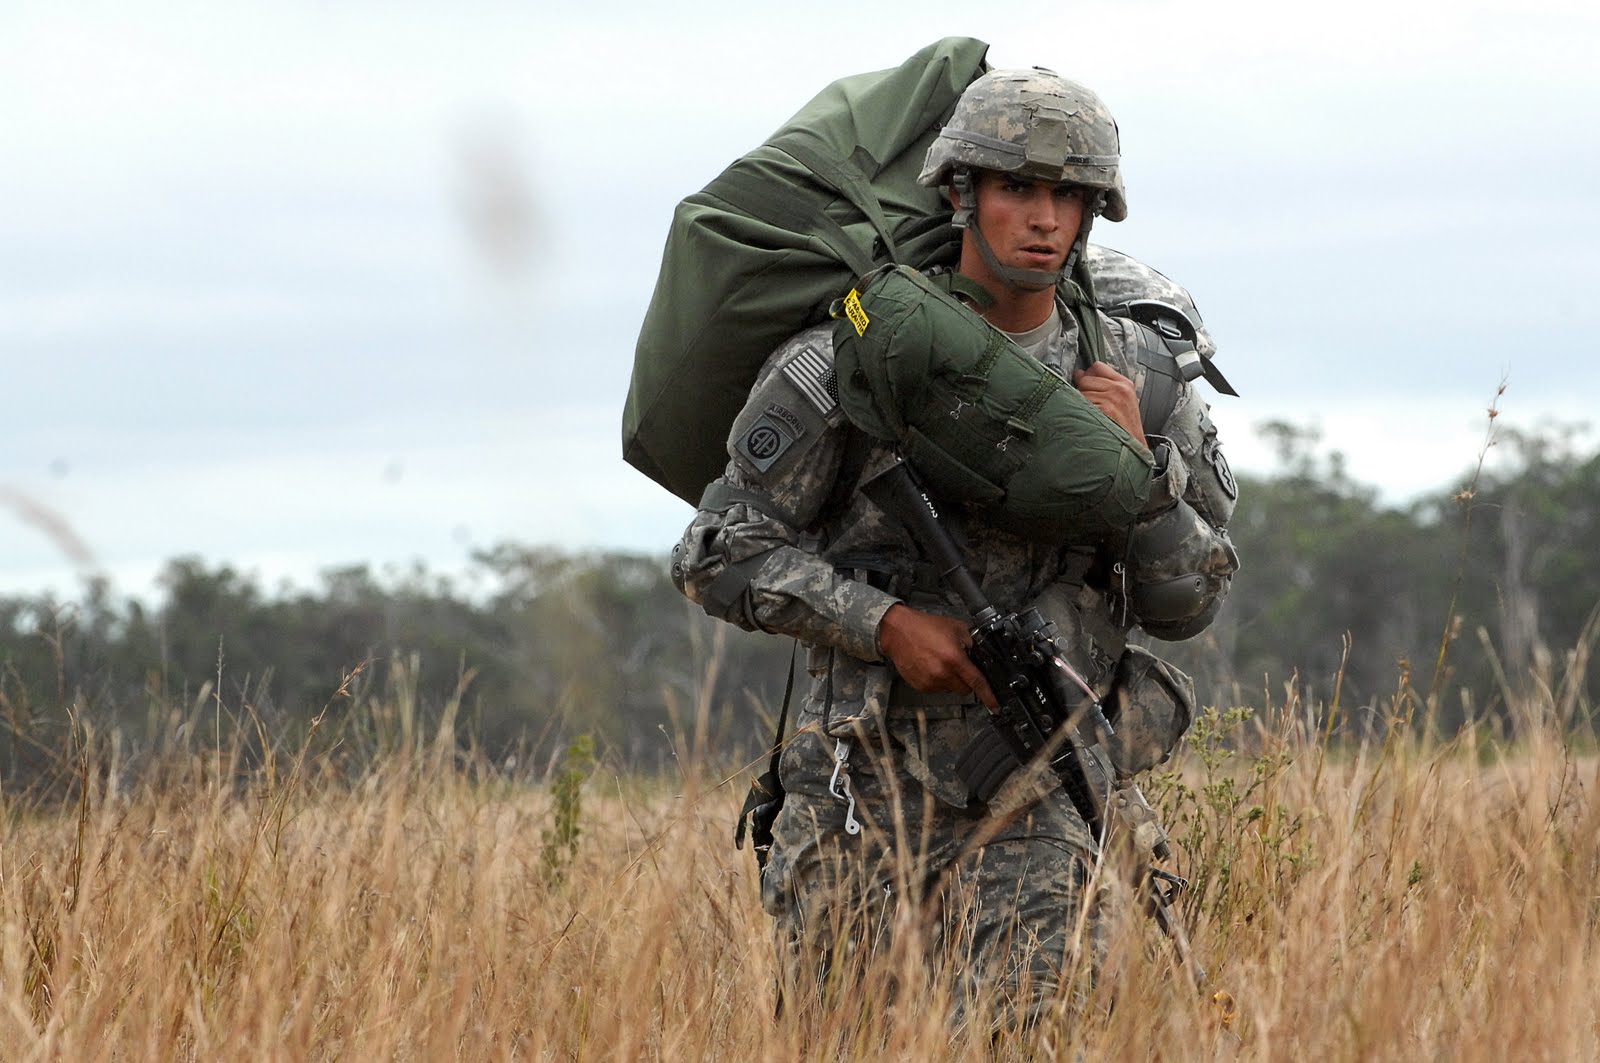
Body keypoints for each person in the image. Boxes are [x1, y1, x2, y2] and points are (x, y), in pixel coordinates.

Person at [671, 67, 1239, 1029]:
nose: (1045, 218)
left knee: (1031, 1036)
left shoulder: (1138, 378)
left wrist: (1145, 482)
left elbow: (1189, 605)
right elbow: (717, 548)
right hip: (862, 783)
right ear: (959, 194)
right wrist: (886, 625)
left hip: (1042, 777)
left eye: (1070, 195)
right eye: (1018, 187)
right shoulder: (854, 358)